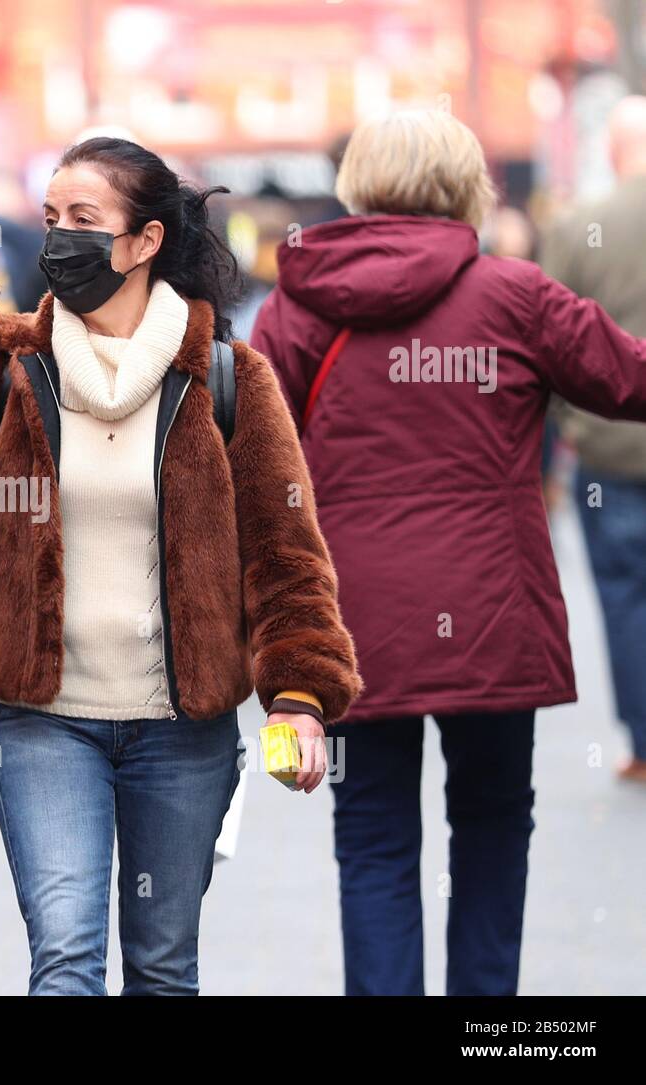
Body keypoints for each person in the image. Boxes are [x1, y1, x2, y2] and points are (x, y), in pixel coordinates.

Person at [0, 136, 361, 996]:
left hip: (183, 728)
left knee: (164, 968)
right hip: (42, 718)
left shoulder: (231, 380)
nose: (58, 238)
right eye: (51, 218)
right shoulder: (10, 362)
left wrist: (301, 697)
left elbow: (286, 556)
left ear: (146, 241)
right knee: (64, 957)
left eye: (84, 220)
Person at [250, 108, 646, 996]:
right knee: (495, 826)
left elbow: (249, 452)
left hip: (351, 627)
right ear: (469, 184)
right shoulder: (516, 294)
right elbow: (630, 380)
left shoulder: (296, 303)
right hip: (492, 618)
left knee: (374, 841)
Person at [541, 95, 646, 785]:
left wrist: (559, 436)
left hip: (610, 448)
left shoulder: (581, 227)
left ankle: (643, 739)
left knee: (622, 594)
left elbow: (545, 344)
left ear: (612, 149)